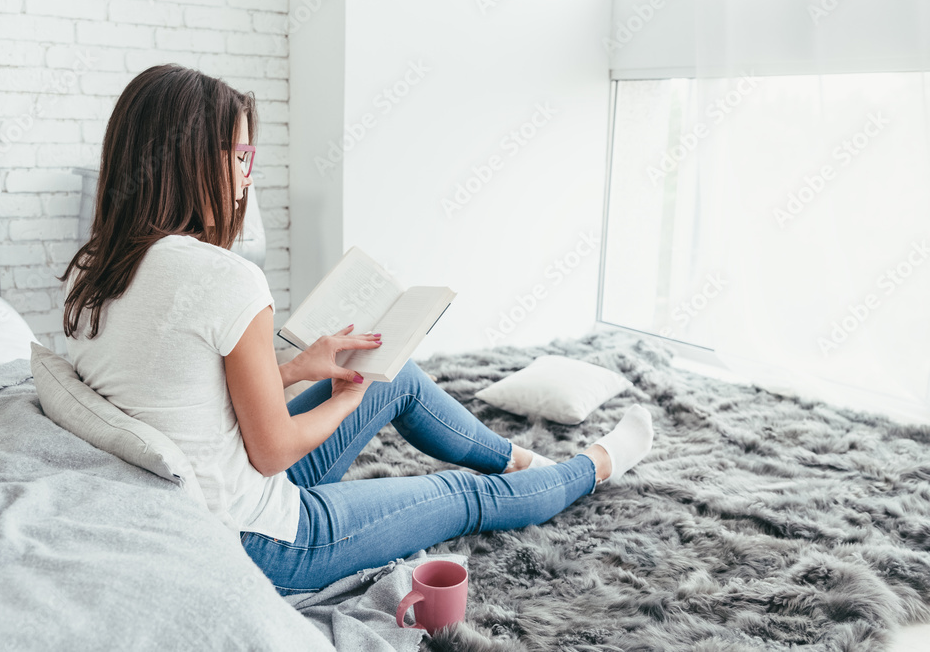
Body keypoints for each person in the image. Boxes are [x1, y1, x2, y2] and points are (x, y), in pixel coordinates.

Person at [59, 64, 655, 596]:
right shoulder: (225, 278)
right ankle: (592, 468)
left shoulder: (91, 273)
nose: (248, 177)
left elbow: (174, 390)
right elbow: (272, 453)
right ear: (193, 160)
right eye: (243, 156)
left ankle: (521, 463)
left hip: (213, 492)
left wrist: (294, 369)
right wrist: (352, 394)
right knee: (458, 495)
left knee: (399, 378)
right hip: (262, 538)